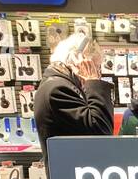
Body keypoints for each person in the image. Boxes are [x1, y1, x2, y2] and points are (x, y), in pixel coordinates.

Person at [33, 32, 113, 162]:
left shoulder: (61, 85)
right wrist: (93, 81)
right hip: (71, 176)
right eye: (95, 67)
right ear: (77, 60)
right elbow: (101, 132)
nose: (98, 74)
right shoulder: (57, 89)